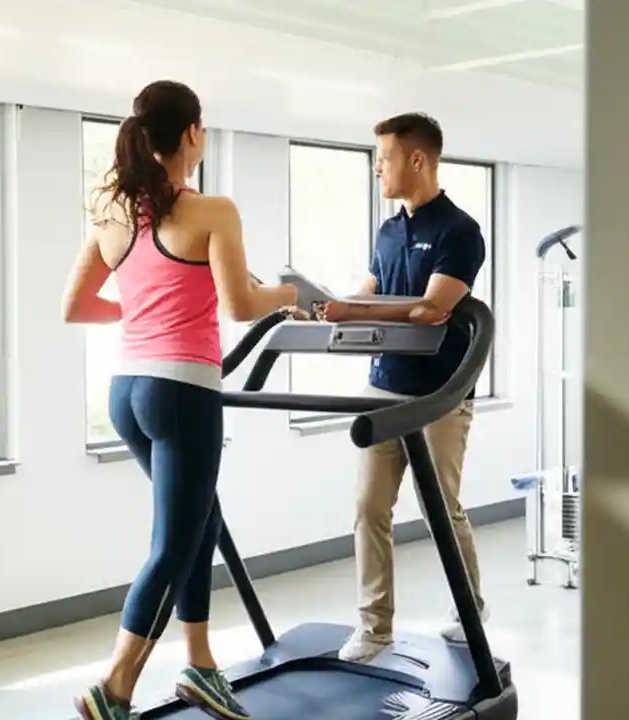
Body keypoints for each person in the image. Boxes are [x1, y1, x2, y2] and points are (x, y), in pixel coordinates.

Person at [62, 79, 300, 720]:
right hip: (183, 391)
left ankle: (200, 664)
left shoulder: (114, 210)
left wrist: (142, 307)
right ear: (193, 133)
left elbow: (76, 305)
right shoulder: (212, 211)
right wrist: (288, 292)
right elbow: (242, 304)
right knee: (172, 542)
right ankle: (113, 687)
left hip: (127, 392)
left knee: (199, 523)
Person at [322, 112, 488, 663]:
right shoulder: (389, 231)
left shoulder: (460, 231)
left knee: (441, 505)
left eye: (384, 158)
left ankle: (470, 607)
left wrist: (363, 307)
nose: (378, 170)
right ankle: (374, 629)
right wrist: (331, 308)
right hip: (383, 389)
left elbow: (432, 308)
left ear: (417, 160)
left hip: (440, 395)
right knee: (368, 506)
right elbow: (371, 291)